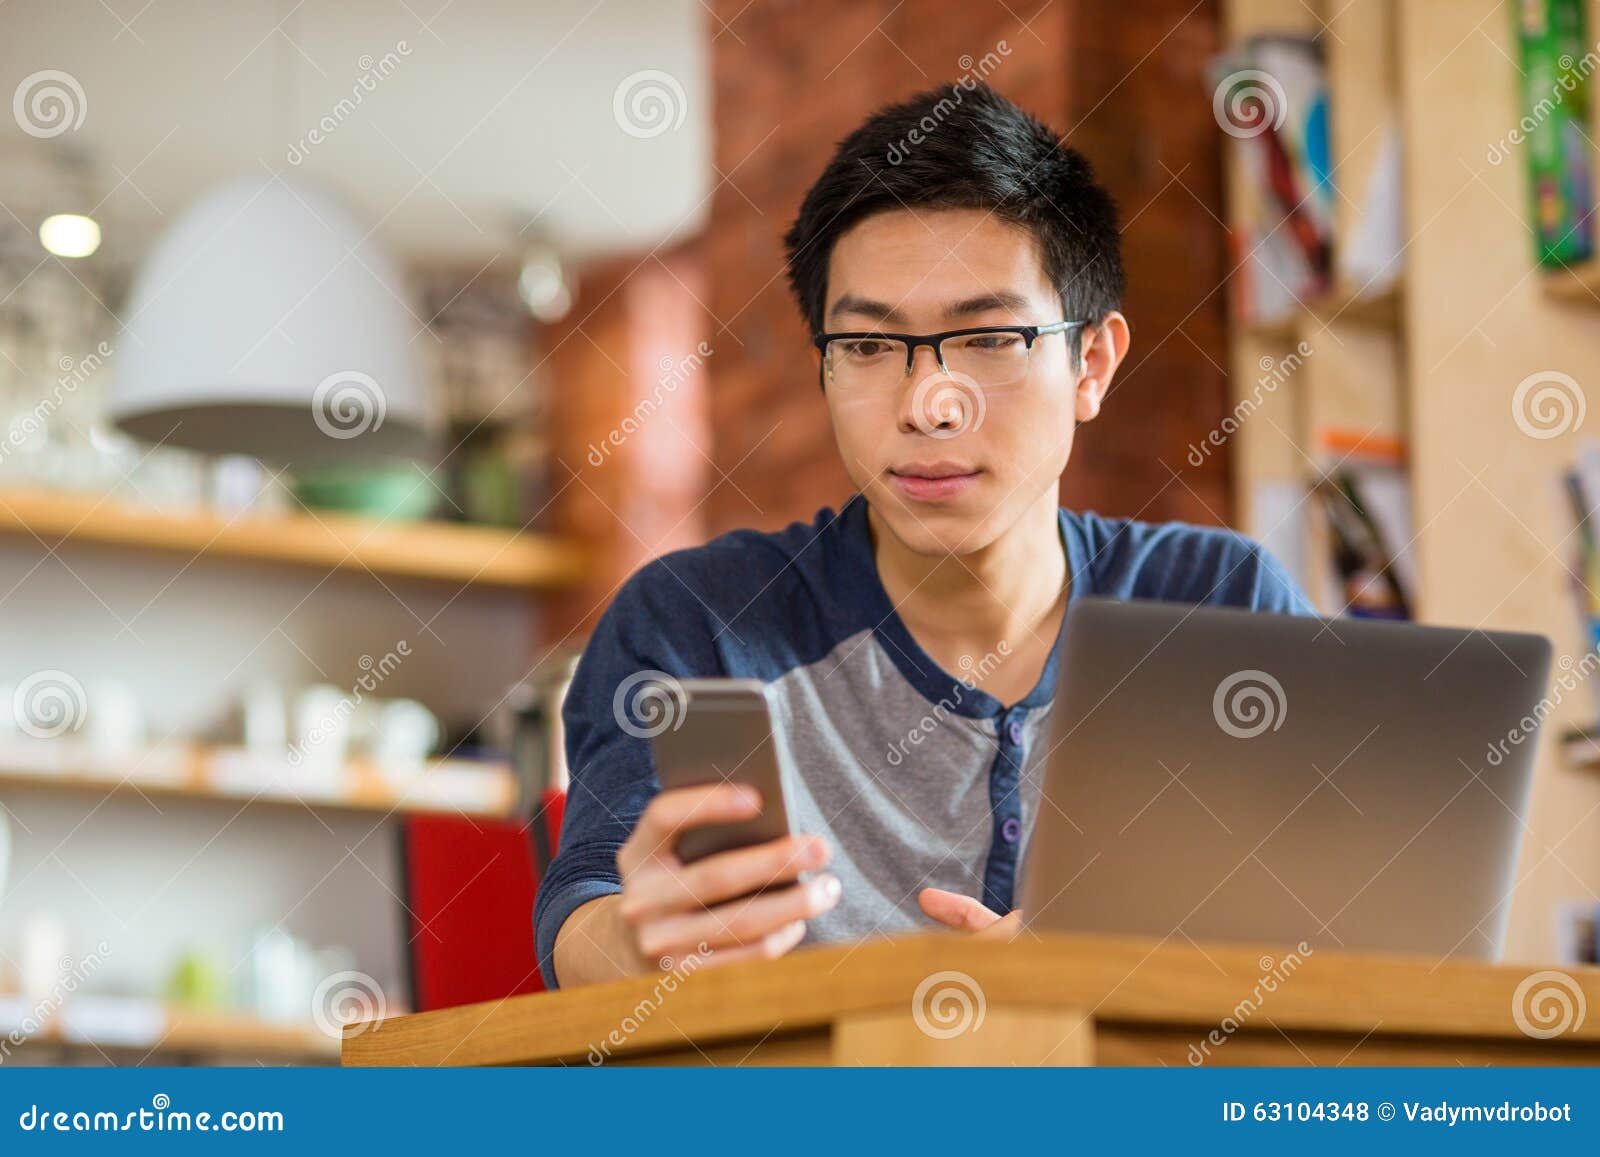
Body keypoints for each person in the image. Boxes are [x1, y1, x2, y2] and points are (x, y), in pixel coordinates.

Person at [535, 81, 1313, 988]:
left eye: (988, 338)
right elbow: (584, 922)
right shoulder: (701, 622)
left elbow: (1338, 950)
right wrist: (638, 943)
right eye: (868, 346)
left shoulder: (1218, 611)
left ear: (1090, 364)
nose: (927, 404)